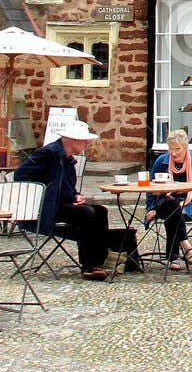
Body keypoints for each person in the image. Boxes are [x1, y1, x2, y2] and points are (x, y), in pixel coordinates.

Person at [14, 119, 120, 279]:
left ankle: (98, 262)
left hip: (60, 204)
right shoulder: (49, 153)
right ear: (73, 140)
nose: (87, 143)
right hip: (45, 208)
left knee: (100, 211)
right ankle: (89, 265)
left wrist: (75, 196)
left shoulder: (67, 158)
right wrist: (41, 192)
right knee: (87, 213)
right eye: (84, 140)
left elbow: (66, 187)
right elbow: (20, 175)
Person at [145, 129, 192, 269]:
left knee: (174, 213)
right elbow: (150, 190)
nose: (173, 153)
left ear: (185, 147)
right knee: (171, 203)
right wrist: (151, 208)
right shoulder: (161, 161)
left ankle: (174, 258)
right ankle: (186, 246)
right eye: (170, 149)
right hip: (162, 204)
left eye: (177, 149)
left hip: (189, 205)